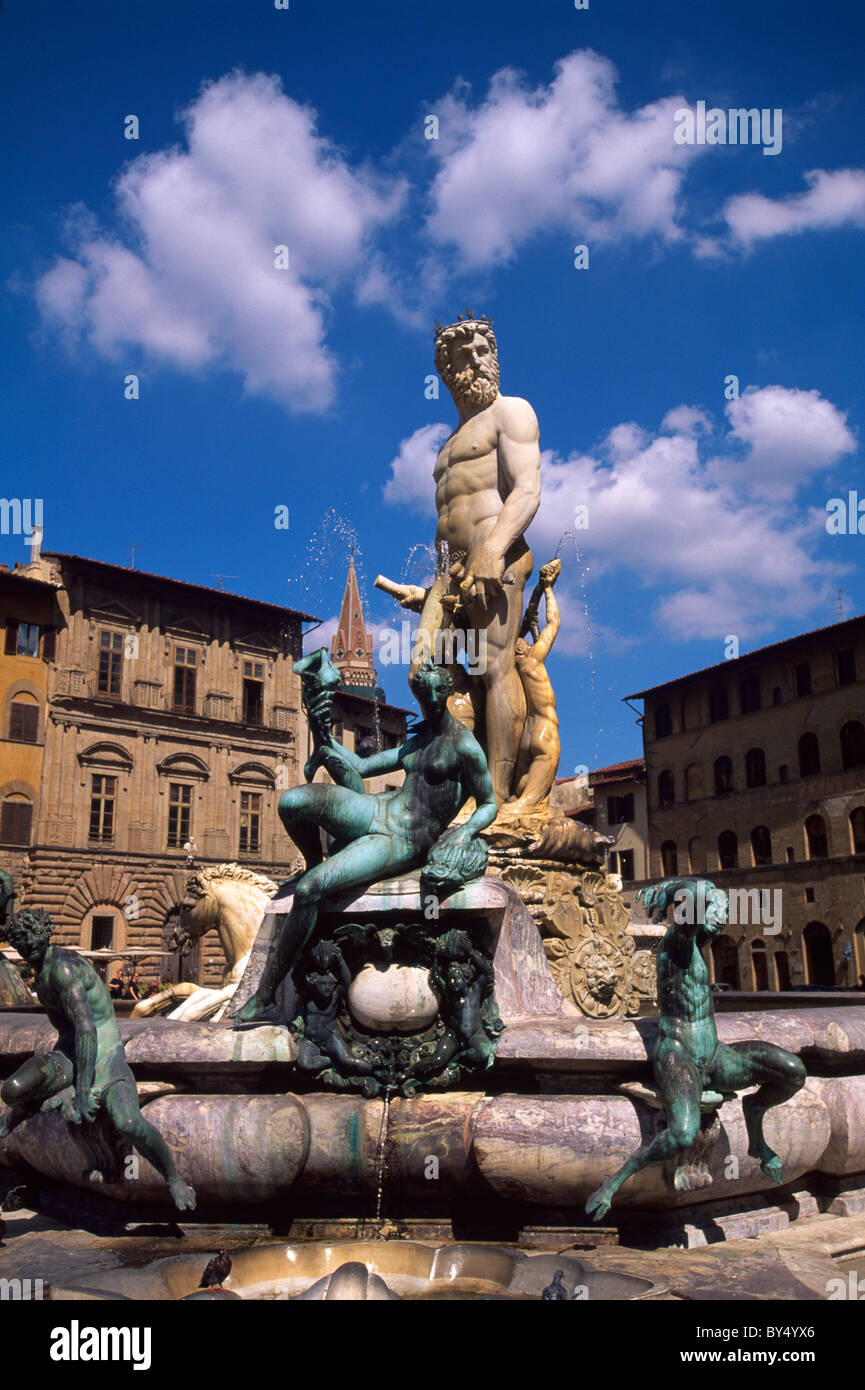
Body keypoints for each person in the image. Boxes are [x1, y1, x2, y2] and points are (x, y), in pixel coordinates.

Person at [232, 661, 498, 1025]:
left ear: (449, 692)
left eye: (439, 692)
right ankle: (313, 861)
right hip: (377, 809)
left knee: (310, 890)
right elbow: (359, 766)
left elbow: (490, 803)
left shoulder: (464, 746)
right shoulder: (417, 742)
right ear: (419, 697)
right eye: (425, 694)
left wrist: (465, 831)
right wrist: (321, 733)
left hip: (403, 839)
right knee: (292, 803)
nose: (433, 699)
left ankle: (263, 997)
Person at [586, 878, 806, 1222]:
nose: (720, 918)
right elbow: (699, 893)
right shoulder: (677, 944)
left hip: (714, 1055)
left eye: (725, 912)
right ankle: (614, 1181)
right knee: (682, 1134)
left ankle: (755, 1121)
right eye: (714, 911)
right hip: (680, 1054)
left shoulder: (700, 952)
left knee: (793, 1071)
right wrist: (672, 888)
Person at [410, 314, 542, 804]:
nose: (476, 361)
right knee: (424, 669)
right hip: (449, 574)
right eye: (463, 356)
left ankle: (497, 801)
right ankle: (455, 784)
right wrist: (429, 589)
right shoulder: (444, 447)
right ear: (446, 371)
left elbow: (528, 489)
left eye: (483, 351)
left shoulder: (512, 412)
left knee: (493, 667)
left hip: (499, 556)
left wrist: (492, 548)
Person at [0, 909, 196, 1211]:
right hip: (66, 1056)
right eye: (21, 941)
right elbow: (69, 1033)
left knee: (129, 1123)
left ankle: (174, 1179)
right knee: (12, 1089)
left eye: (32, 937)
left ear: (44, 932)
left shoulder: (63, 969)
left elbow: (86, 1029)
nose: (28, 945)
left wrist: (81, 1093)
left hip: (103, 1055)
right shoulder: (40, 972)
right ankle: (19, 1112)